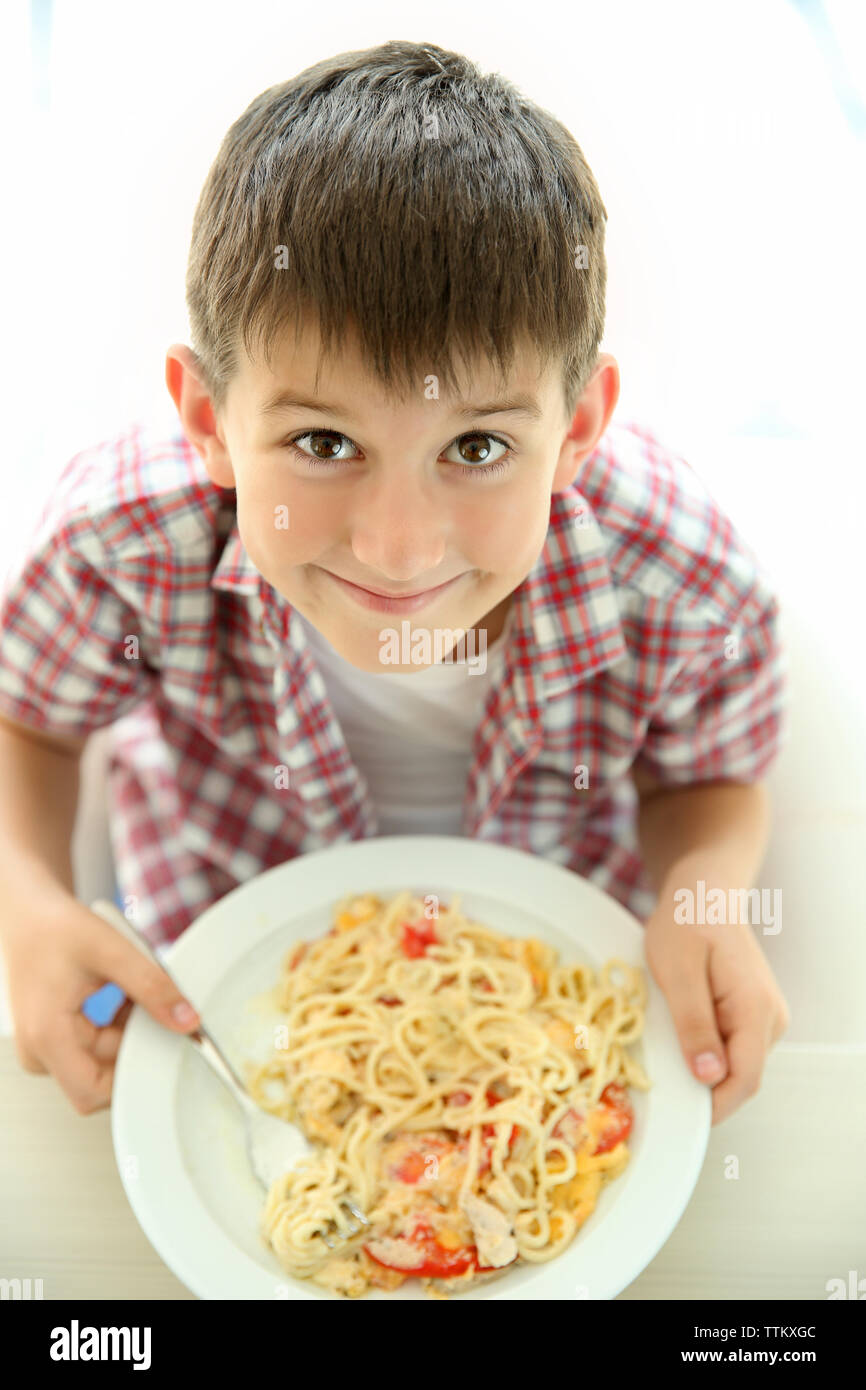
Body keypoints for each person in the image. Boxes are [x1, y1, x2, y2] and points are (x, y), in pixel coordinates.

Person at [0, 39, 790, 1129]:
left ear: (577, 431)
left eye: (474, 449)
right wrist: (27, 902)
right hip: (213, 941)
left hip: (546, 961)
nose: (399, 548)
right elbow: (27, 724)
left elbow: (708, 778)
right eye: (323, 443)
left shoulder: (685, 586)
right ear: (205, 422)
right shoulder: (120, 543)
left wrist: (707, 892)